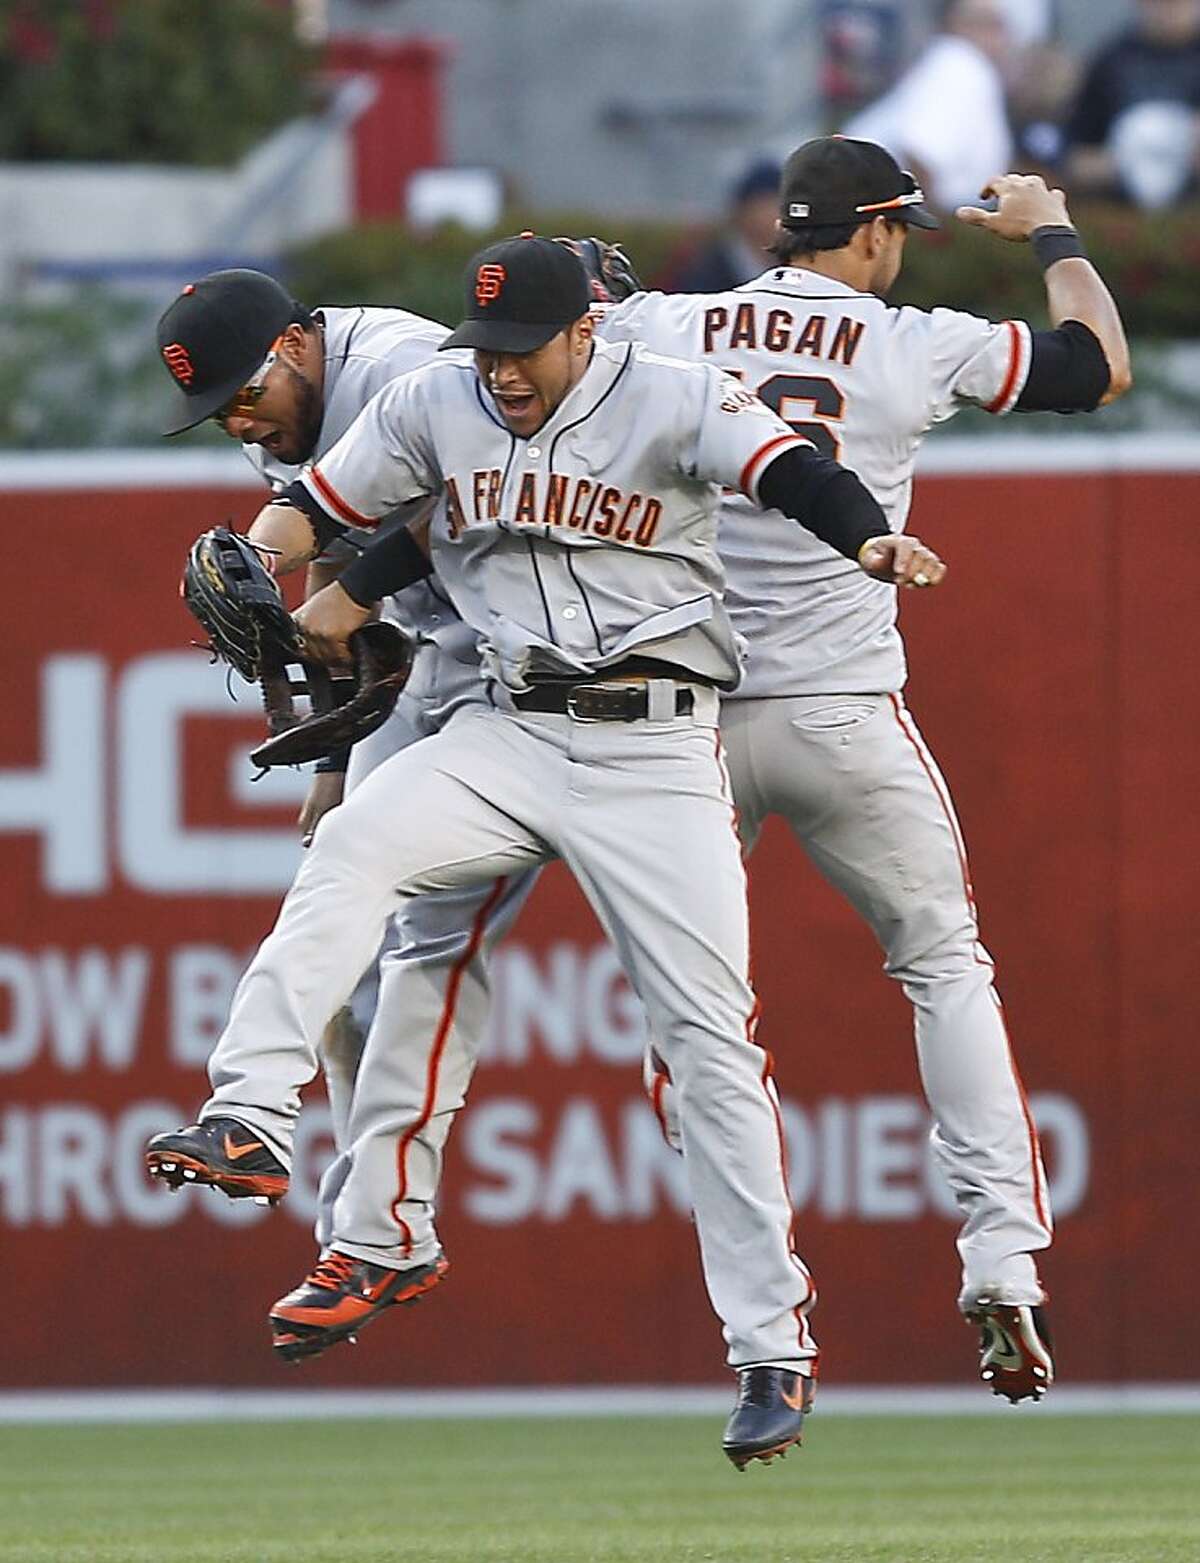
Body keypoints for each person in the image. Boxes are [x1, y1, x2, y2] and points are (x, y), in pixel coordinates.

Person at [157, 233, 943, 1467]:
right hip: (510, 724)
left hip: (659, 750)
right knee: (356, 846)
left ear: (584, 329)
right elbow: (320, 504)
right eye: (489, 347)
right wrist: (264, 553)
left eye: (523, 346)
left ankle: (771, 1346)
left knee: (707, 1042)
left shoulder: (670, 394)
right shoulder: (440, 395)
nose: (503, 371)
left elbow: (791, 468)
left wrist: (867, 541)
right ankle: (249, 1113)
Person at [596, 136, 1130, 1404]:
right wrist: (1052, 229)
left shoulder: (672, 325)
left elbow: (536, 334)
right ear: (881, 232)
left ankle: (764, 1320)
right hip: (844, 717)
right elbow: (1097, 368)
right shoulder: (914, 342)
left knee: (698, 1023)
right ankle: (1003, 1252)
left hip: (692, 729)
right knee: (943, 960)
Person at [147, 268, 540, 1193]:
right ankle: (347, 1201)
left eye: (243, 394)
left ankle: (381, 1213)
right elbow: (329, 544)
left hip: (546, 657)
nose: (238, 423)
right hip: (436, 659)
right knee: (347, 948)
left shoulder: (407, 366)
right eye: (217, 414)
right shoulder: (278, 424)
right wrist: (335, 757)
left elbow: (484, 496)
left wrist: (350, 593)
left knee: (435, 949)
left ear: (291, 345)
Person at [842, 0, 1015, 210]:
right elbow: (919, 152)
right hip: (873, 201)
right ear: (956, 23)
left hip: (866, 194)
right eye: (991, 25)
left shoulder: (953, 61)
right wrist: (925, 228)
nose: (1003, 39)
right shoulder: (963, 66)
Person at [1063, 0, 1200, 208]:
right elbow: (1074, 155)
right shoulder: (1110, 62)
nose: (1168, 9)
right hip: (1122, 220)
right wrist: (1121, 162)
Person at [672, 157, 782, 293]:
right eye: (765, 206)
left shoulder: (794, 267)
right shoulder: (710, 270)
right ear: (742, 211)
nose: (775, 215)